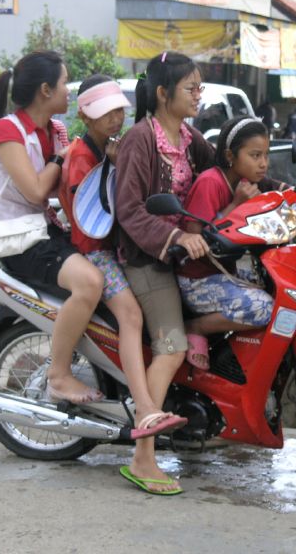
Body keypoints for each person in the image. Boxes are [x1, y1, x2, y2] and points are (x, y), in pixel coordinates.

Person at [58, 73, 187, 442]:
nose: (115, 120)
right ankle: (145, 407)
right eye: (105, 114)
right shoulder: (83, 158)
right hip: (95, 254)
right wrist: (115, 169)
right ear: (84, 117)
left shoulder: (110, 148)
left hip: (111, 252)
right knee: (130, 315)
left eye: (118, 111)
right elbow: (96, 220)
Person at [0, 50, 104, 405]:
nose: (69, 91)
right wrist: (62, 156)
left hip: (44, 230)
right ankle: (58, 375)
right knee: (89, 283)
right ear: (45, 90)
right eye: (64, 83)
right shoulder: (7, 130)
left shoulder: (53, 130)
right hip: (18, 240)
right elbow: (34, 189)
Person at [114, 51, 215, 495]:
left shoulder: (190, 138)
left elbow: (222, 172)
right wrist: (173, 239)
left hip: (185, 254)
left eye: (200, 88)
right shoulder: (141, 139)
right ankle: (143, 457)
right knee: (171, 348)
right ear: (162, 93)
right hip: (147, 258)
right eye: (190, 88)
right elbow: (130, 210)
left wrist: (274, 191)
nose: (198, 95)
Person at [175, 116, 296, 368]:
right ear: (230, 155)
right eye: (255, 155)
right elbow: (193, 238)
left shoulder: (250, 181)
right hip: (198, 279)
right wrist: (234, 205)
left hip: (230, 272)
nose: (263, 163)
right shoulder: (211, 183)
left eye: (266, 155)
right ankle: (194, 327)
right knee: (266, 309)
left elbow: (277, 192)